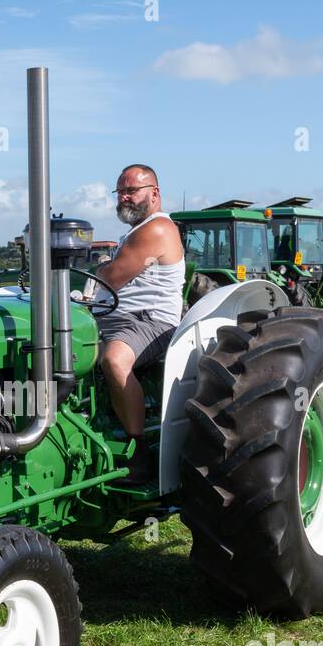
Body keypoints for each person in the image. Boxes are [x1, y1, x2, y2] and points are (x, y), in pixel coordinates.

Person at [92, 163, 185, 483]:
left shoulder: (156, 229)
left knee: (115, 360)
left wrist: (95, 272)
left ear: (155, 193)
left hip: (151, 321)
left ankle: (139, 449)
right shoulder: (134, 231)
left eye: (132, 191)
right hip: (117, 318)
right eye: (120, 192)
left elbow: (113, 278)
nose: (125, 198)